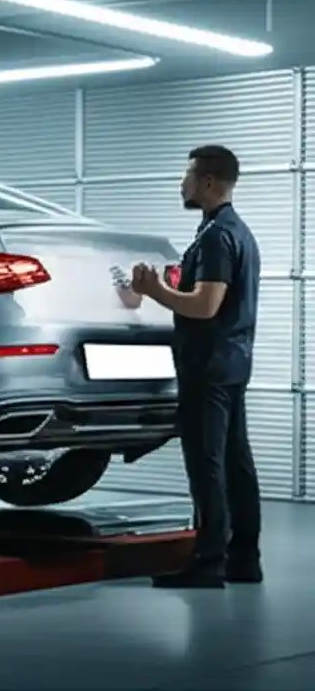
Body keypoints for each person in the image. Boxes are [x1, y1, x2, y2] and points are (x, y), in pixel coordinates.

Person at [128, 144, 263, 588]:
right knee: (235, 462)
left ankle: (208, 563)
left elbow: (205, 306)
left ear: (207, 182)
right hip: (233, 363)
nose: (180, 184)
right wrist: (175, 283)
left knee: (206, 463)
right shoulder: (237, 231)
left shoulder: (216, 236)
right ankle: (244, 559)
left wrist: (152, 290)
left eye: (186, 176)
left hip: (207, 367)